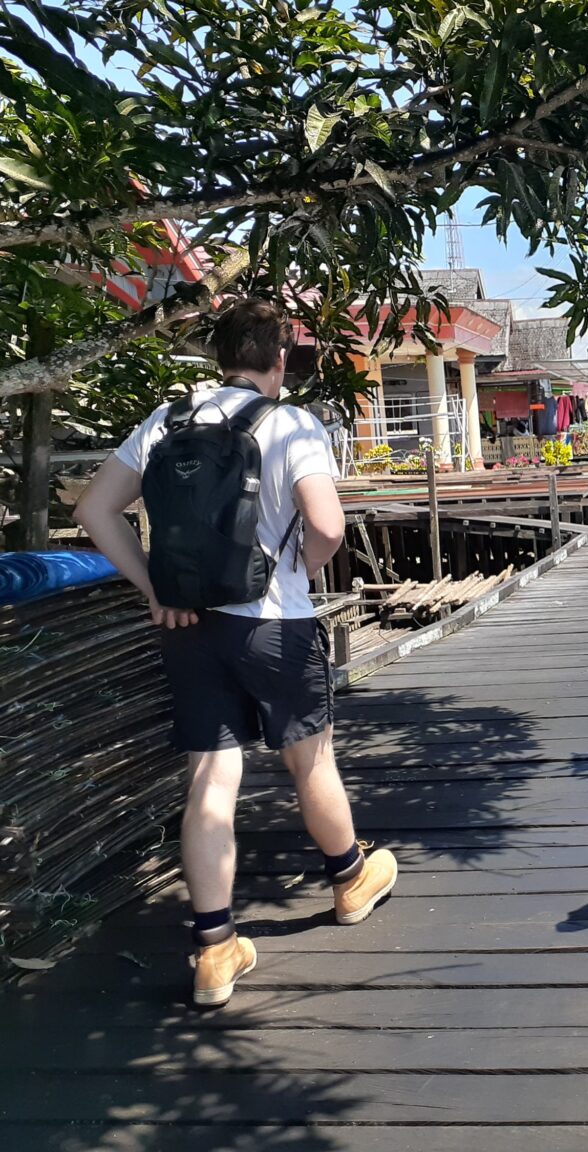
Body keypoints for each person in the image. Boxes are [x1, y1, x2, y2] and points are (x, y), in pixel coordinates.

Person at [72, 299, 396, 1006]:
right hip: (275, 623)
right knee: (309, 759)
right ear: (280, 360)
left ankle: (215, 951)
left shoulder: (167, 421)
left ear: (218, 356)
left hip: (189, 624)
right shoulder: (291, 424)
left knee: (210, 781)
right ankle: (349, 881)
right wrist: (300, 571)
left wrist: (156, 585)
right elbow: (328, 525)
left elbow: (94, 510)